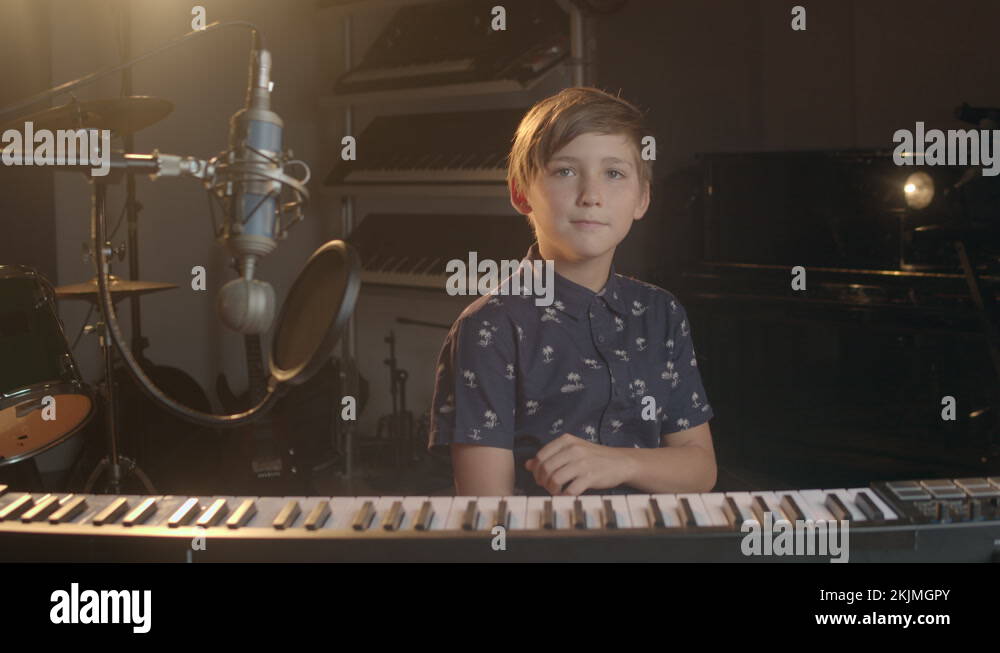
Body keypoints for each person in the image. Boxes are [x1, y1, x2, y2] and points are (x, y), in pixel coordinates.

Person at [429, 87, 716, 496]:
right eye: (565, 171)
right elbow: (488, 514)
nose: (591, 196)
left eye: (614, 173)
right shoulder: (488, 327)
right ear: (520, 193)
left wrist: (620, 462)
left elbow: (700, 469)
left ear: (642, 198)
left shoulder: (661, 312)